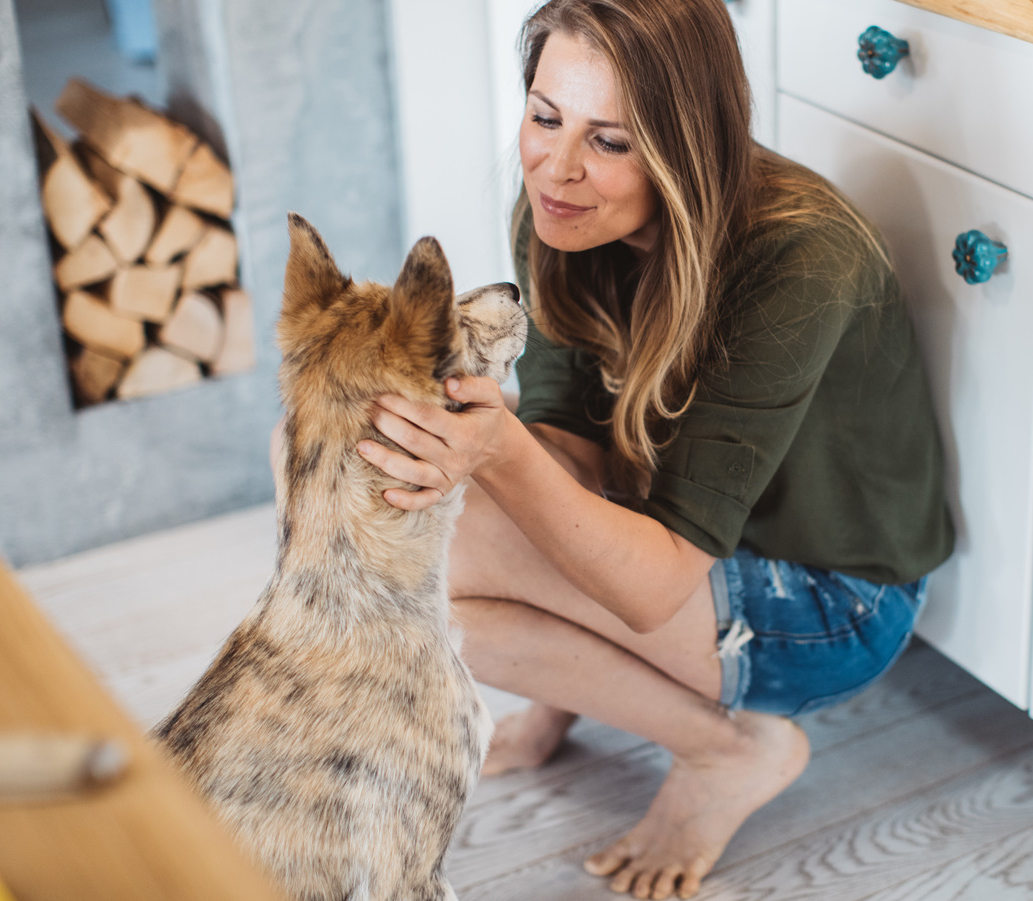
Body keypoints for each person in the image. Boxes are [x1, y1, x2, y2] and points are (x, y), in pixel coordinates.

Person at [356, 0, 954, 897]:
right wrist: (450, 446)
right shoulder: (561, 212)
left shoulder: (798, 260)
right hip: (684, 531)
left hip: (833, 597)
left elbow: (650, 582)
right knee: (395, 531)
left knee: (437, 570)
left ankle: (729, 750)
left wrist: (495, 456)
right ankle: (572, 689)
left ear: (684, 147)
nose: (557, 169)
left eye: (611, 141)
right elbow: (571, 446)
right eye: (545, 115)